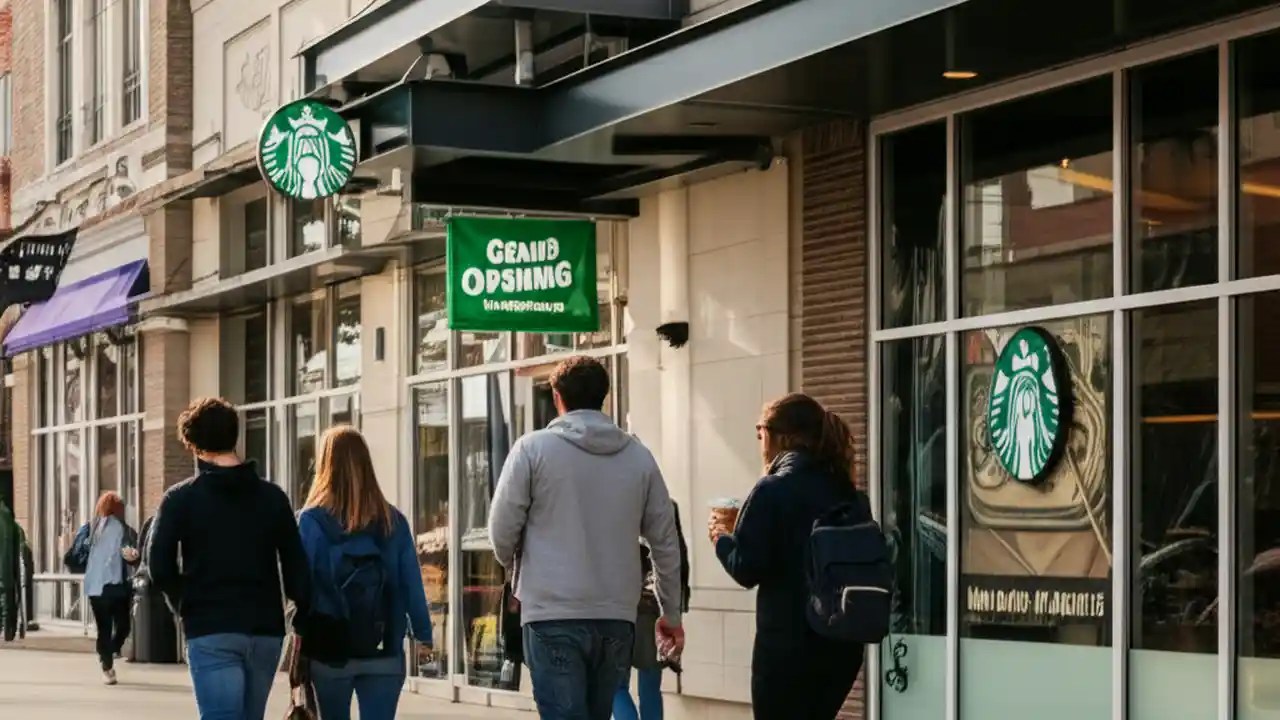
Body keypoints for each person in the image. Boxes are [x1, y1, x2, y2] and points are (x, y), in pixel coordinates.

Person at [489, 356, 685, 720]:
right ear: (603, 398)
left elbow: (501, 532)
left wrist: (517, 570)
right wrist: (670, 613)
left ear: (557, 396)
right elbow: (665, 542)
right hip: (615, 615)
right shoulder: (639, 458)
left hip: (551, 613)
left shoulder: (532, 450)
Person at [146, 397, 311, 720]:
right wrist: (301, 615)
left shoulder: (181, 499)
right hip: (265, 630)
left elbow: (158, 565)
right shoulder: (272, 498)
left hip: (211, 627)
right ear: (235, 436)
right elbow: (296, 565)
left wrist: (184, 603)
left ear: (194, 446)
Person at [708, 393, 868, 720]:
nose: (759, 443)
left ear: (781, 437)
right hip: (841, 645)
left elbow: (747, 568)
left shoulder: (772, 489)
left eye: (759, 432)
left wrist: (722, 539)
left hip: (787, 649)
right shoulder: (846, 490)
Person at [298, 425, 433, 720]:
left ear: (324, 464)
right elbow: (412, 584)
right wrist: (423, 635)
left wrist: (296, 639)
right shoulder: (392, 521)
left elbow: (300, 587)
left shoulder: (311, 522)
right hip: (384, 647)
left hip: (329, 650)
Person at [612, 501, 691, 720]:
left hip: (619, 607)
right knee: (650, 686)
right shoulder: (666, 505)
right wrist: (676, 609)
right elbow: (679, 558)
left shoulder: (614, 502)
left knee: (614, 684)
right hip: (655, 607)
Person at [84, 491, 140, 685]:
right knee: (116, 626)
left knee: (111, 627)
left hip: (106, 587)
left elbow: (132, 554)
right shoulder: (92, 528)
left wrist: (131, 556)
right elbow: (134, 556)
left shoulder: (121, 530)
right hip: (105, 586)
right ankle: (107, 662)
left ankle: (107, 654)